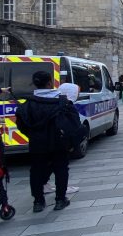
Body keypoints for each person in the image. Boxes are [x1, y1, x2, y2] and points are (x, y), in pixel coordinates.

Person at [16, 71, 79, 212]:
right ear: (50, 83)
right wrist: (70, 141)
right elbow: (74, 123)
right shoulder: (63, 102)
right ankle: (60, 199)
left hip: (37, 143)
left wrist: (33, 135)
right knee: (61, 169)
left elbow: (22, 124)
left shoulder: (27, 104)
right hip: (59, 142)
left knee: (37, 170)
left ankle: (38, 201)